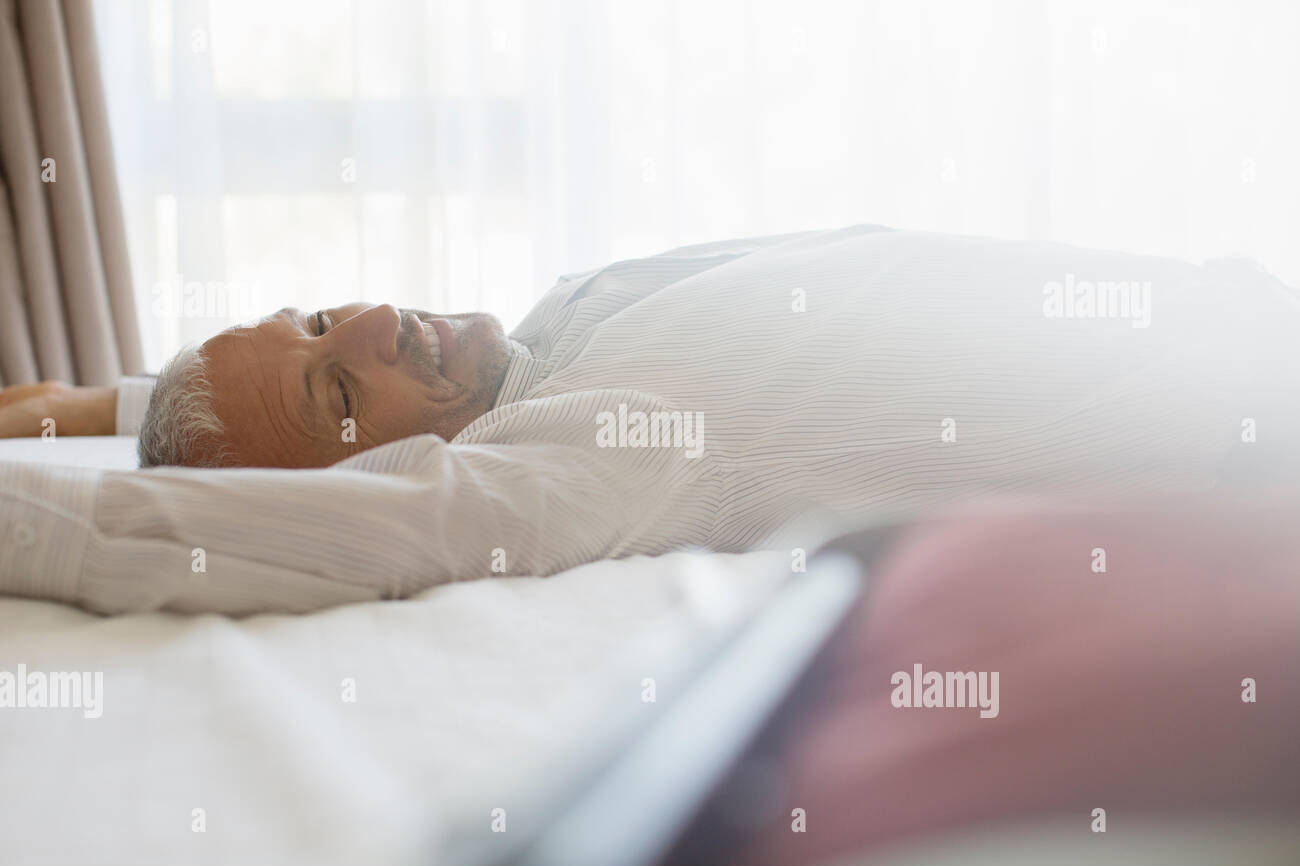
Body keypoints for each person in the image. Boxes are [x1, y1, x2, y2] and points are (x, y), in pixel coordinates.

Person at [1, 226, 1296, 614]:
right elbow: (378, 527)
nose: (379, 317)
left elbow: (254, 398)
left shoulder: (560, 327)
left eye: (325, 314)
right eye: (341, 387)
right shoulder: (598, 436)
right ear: (388, 454)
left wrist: (90, 405)